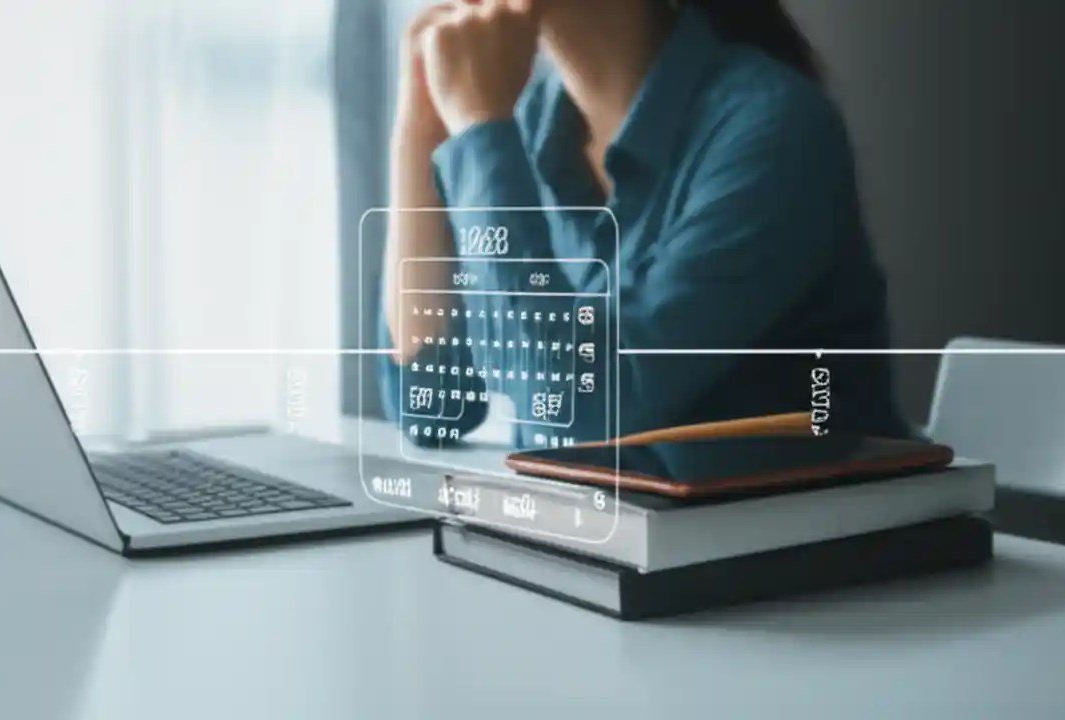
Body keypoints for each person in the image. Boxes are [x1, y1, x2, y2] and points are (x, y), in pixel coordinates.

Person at [379, 0, 910, 448]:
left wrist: (477, 130)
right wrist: (417, 133)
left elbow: (581, 418)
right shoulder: (524, 127)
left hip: (819, 550)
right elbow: (432, 406)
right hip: (616, 545)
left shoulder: (775, 127)